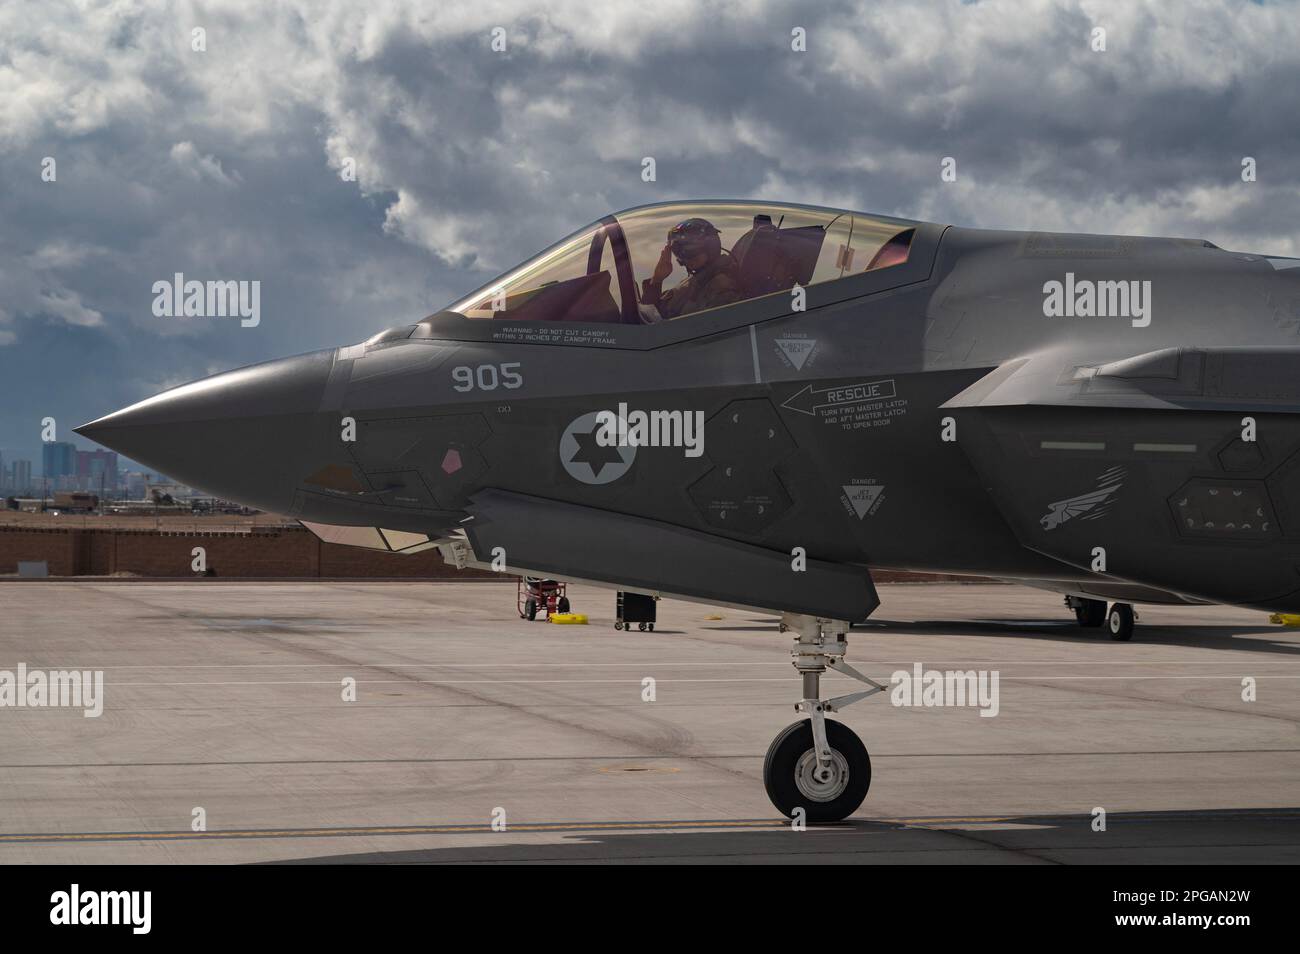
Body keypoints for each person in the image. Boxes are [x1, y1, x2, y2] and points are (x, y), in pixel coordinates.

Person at [640, 218, 742, 321]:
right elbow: (653, 315)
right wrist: (657, 279)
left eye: (690, 249)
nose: (684, 255)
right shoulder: (696, 280)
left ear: (711, 246)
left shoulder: (722, 286)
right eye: (677, 250)